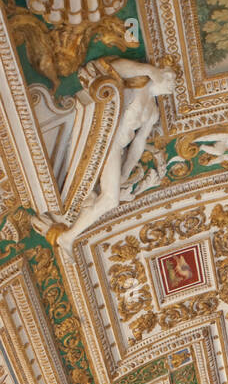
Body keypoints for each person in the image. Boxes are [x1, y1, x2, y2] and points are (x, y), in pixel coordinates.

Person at [57, 58, 176, 256]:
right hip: (106, 140)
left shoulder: (153, 112)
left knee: (106, 197)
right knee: (111, 199)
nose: (173, 83)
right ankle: (67, 237)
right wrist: (149, 70)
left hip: (116, 149)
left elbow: (138, 145)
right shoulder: (139, 82)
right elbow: (113, 68)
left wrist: (125, 173)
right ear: (160, 74)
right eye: (170, 77)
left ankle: (70, 233)